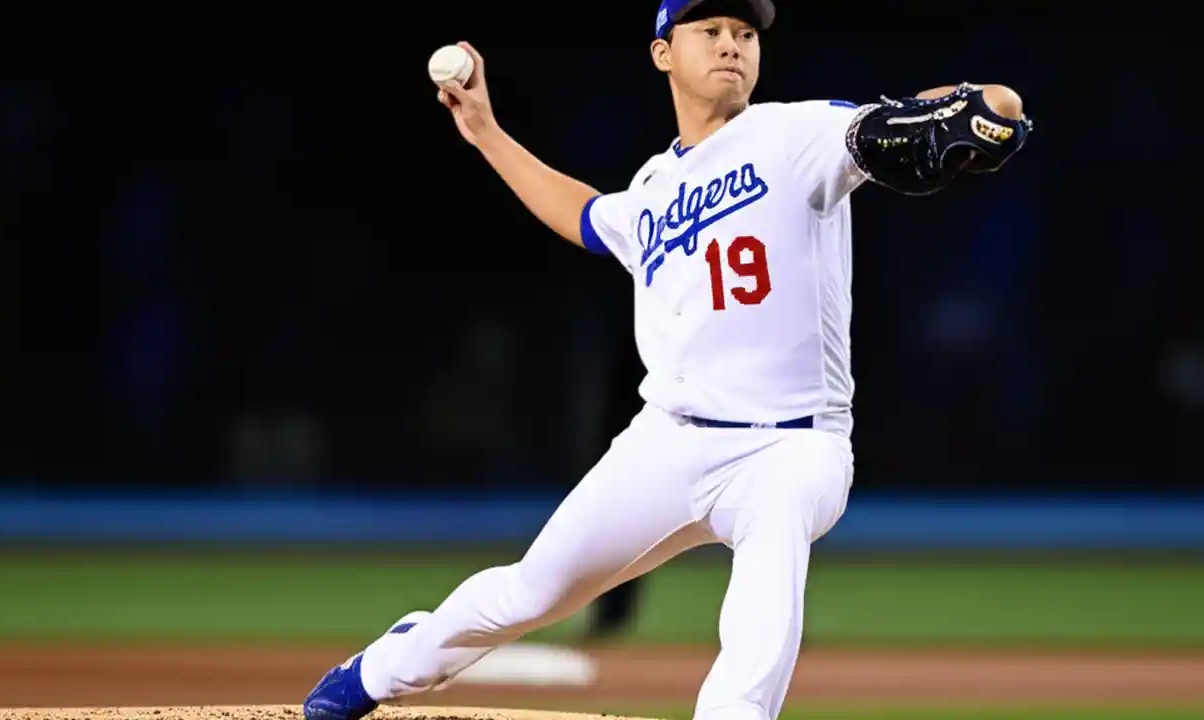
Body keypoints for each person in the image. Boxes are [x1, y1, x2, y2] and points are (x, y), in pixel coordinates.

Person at [302, 0, 1032, 718]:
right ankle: (385, 668)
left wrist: (978, 106)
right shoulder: (655, 185)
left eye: (745, 33)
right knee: (532, 590)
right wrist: (487, 134)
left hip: (791, 446)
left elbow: (920, 116)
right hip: (669, 442)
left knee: (766, 580)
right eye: (709, 30)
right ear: (663, 53)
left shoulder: (797, 134)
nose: (732, 44)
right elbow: (587, 216)